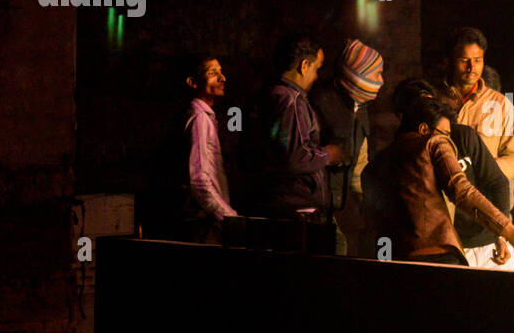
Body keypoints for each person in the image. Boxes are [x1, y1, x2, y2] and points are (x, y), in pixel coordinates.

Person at [362, 94, 514, 265]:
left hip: (393, 258)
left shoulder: (375, 165)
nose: (449, 140)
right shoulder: (434, 143)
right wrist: (509, 231)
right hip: (436, 255)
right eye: (445, 134)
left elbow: (374, 221)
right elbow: (461, 191)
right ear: (424, 129)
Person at [392, 77, 514, 269]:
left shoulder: (461, 136)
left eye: (432, 103)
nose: (430, 110)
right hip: (446, 251)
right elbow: (459, 190)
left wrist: (501, 234)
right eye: (421, 107)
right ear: (403, 116)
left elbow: (496, 182)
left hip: (485, 243)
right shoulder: (398, 158)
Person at [243, 34, 346, 221]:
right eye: (317, 68)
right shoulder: (289, 100)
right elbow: (295, 156)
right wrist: (328, 155)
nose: (316, 76)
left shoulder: (271, 95)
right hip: (294, 212)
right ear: (304, 65)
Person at [151, 54, 238, 243]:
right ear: (193, 82)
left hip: (202, 220)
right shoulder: (199, 118)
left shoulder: (201, 116)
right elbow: (199, 179)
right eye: (213, 73)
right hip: (201, 224)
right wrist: (228, 217)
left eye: (221, 72)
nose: (222, 78)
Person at [313, 39, 384, 254]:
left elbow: (359, 161)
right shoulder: (319, 105)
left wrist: (366, 201)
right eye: (376, 74)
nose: (381, 81)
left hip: (335, 207)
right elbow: (299, 155)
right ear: (357, 75)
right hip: (313, 208)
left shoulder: (359, 107)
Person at [441, 27, 514, 190]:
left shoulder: (500, 105)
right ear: (449, 61)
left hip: (484, 198)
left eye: (477, 60)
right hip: (444, 198)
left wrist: (485, 170)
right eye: (464, 60)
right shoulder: (433, 101)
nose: (471, 67)